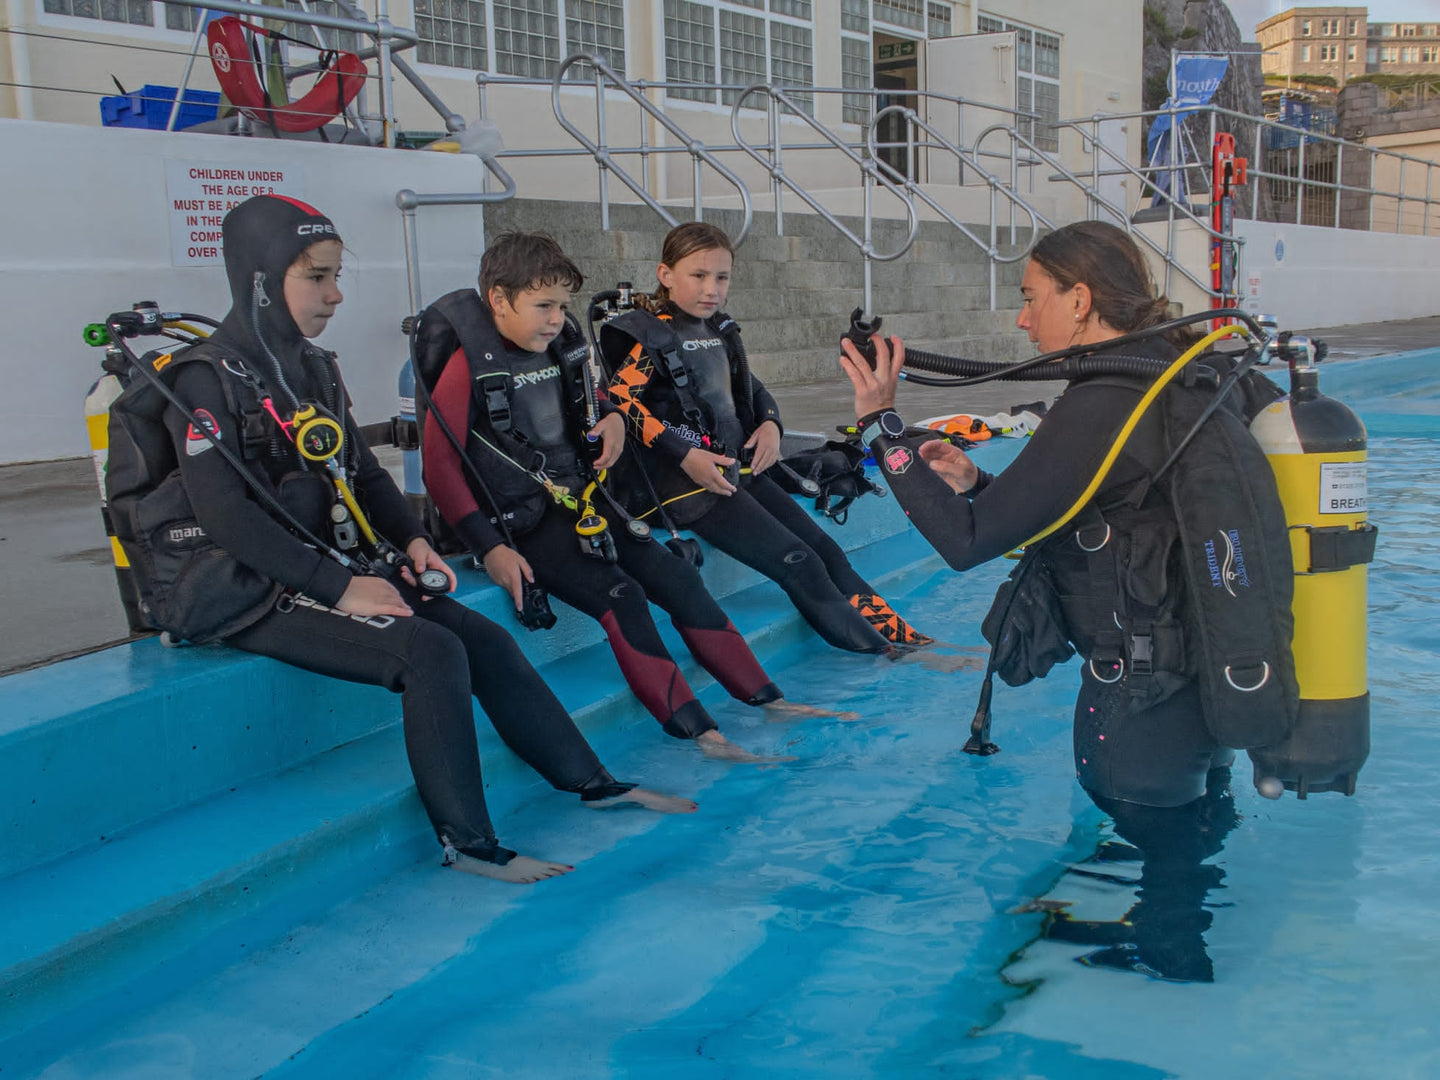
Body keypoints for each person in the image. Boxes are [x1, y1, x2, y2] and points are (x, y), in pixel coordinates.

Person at [144, 195, 694, 885]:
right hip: (244, 589)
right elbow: (227, 519)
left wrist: (411, 541)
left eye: (336, 274)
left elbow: (364, 473)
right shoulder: (203, 380)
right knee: (430, 652)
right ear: (259, 279)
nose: (336, 293)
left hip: (319, 568)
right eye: (317, 276)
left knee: (487, 640)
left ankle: (590, 782)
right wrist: (339, 588)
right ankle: (468, 842)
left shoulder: (312, 368)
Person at [840, 220, 1291, 978]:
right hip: (1206, 670)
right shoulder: (1181, 373)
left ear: (1079, 300)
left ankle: (1169, 962)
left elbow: (965, 544)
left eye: (1031, 297)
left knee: (1152, 823)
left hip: (1141, 693)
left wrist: (882, 426)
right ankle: (1172, 931)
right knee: (1191, 821)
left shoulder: (1105, 397)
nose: (1023, 319)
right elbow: (1118, 509)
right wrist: (983, 483)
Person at [418, 231, 836, 763]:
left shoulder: (559, 343)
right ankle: (704, 736)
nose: (555, 320)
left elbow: (595, 398)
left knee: (679, 577)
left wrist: (614, 416)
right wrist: (490, 546)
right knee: (623, 596)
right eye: (542, 306)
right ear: (499, 300)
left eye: (561, 306)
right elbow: (439, 467)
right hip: (523, 525)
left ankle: (768, 699)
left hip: (583, 504)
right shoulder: (465, 367)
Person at [599, 221, 930, 655]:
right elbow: (620, 400)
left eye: (722, 277)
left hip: (736, 468)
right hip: (688, 485)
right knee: (799, 561)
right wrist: (684, 455)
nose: (711, 288)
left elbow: (752, 388)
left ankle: (907, 639)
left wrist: (771, 424)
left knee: (825, 549)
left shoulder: (716, 328)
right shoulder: (651, 337)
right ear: (666, 275)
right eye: (698, 276)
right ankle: (887, 654)